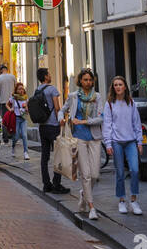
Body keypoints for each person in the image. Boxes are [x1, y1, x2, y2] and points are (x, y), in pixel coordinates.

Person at [64, 68, 104, 220]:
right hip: (79, 137)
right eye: (85, 79)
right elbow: (63, 110)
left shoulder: (97, 97)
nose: (88, 82)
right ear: (80, 81)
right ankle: (91, 207)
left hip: (94, 137)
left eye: (90, 80)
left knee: (95, 174)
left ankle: (83, 193)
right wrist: (63, 118)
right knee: (86, 174)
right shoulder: (73, 97)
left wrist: (84, 121)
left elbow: (101, 118)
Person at [103, 75, 143, 216]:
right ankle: (121, 200)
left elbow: (136, 123)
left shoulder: (131, 103)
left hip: (131, 141)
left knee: (135, 170)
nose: (118, 87)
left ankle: (133, 200)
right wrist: (108, 143)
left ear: (125, 86)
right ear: (113, 88)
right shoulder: (109, 104)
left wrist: (140, 141)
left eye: (120, 84)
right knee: (120, 172)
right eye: (115, 85)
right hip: (116, 142)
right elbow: (107, 125)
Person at [34, 67, 69, 195]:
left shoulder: (37, 90)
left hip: (42, 126)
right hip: (53, 125)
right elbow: (57, 107)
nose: (50, 75)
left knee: (45, 156)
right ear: (45, 76)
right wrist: (62, 120)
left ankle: (46, 184)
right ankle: (57, 184)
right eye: (49, 74)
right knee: (58, 155)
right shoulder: (52, 89)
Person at [8, 82, 31, 160]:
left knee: (24, 135)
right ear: (16, 90)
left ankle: (26, 152)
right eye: (19, 89)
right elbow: (7, 104)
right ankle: (13, 147)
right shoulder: (13, 98)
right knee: (16, 136)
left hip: (23, 118)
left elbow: (27, 110)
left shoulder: (25, 98)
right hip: (16, 118)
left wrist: (26, 108)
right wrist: (10, 109)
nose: (21, 90)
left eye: (22, 88)